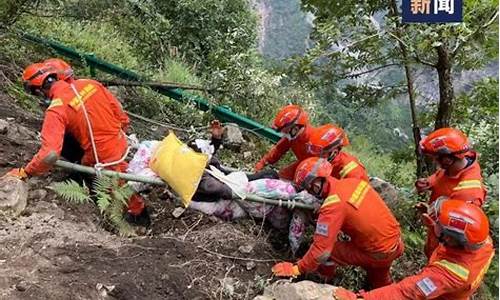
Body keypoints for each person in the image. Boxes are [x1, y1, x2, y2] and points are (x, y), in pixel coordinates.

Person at [3, 61, 149, 225]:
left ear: (38, 90)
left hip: (101, 158)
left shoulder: (56, 109)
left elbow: (49, 155)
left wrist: (25, 172)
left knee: (116, 187)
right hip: (120, 143)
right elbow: (122, 116)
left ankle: (135, 216)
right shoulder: (90, 84)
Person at [272, 157, 403, 288]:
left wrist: (297, 269)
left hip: (377, 252)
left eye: (308, 188)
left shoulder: (332, 206)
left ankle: (323, 281)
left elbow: (321, 251)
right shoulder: (353, 182)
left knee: (330, 254)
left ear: (316, 184)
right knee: (380, 279)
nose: (309, 192)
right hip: (395, 243)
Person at [332, 199, 495, 300]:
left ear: (451, 238)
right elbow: (435, 253)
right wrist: (434, 227)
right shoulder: (482, 242)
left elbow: (409, 292)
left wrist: (360, 298)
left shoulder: (448, 274)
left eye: (441, 227)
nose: (437, 226)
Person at [415, 128, 486, 258]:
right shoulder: (455, 166)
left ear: (447, 160)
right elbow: (442, 176)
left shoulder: (468, 193)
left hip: (444, 248)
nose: (435, 162)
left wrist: (432, 221)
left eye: (436, 158)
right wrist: (429, 182)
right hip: (436, 229)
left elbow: (454, 236)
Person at [254, 104, 316, 180]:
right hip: (304, 163)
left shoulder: (315, 141)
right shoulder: (293, 136)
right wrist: (263, 162)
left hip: (317, 171)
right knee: (282, 176)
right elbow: (279, 149)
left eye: (285, 132)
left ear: (295, 129)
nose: (285, 135)